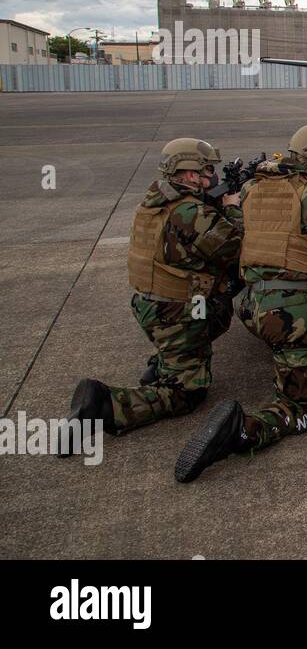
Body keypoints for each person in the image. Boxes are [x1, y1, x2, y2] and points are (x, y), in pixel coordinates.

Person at [173, 124, 307, 482]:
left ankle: (286, 366)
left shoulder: (249, 188)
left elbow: (235, 235)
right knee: (301, 406)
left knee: (288, 351)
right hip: (291, 313)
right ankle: (242, 429)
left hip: (251, 305)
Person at [66, 139, 241, 439]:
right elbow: (235, 247)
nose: (212, 177)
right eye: (207, 170)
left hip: (150, 307)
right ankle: (105, 404)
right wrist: (233, 209)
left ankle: (162, 365)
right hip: (176, 314)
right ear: (188, 173)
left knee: (209, 313)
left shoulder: (153, 202)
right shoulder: (191, 212)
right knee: (188, 394)